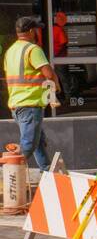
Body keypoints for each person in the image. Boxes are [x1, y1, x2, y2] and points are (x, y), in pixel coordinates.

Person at [4, 16, 58, 172]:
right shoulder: (33, 49)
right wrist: (57, 88)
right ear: (30, 31)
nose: (37, 32)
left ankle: (47, 171)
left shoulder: (10, 51)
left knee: (38, 142)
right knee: (28, 145)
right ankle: (9, 172)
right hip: (30, 104)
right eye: (35, 29)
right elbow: (48, 74)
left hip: (17, 105)